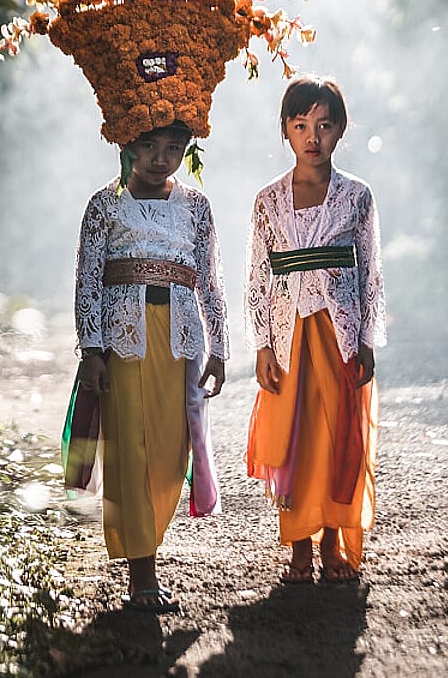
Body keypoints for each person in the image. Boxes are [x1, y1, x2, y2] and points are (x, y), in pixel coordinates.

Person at [73, 120, 228, 613]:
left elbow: (210, 279)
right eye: (149, 146)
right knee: (132, 450)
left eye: (173, 148)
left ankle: (150, 546)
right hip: (123, 341)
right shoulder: (104, 205)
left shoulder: (196, 207)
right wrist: (91, 349)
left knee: (167, 453)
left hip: (179, 341)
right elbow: (88, 280)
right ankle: (144, 575)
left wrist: (220, 347)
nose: (161, 158)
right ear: (126, 145)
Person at [244, 74, 386, 584]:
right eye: (301, 124)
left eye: (324, 125)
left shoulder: (357, 197)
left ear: (341, 130)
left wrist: (368, 337)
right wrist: (261, 343)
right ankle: (298, 547)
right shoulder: (268, 201)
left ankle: (331, 544)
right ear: (285, 130)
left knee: (336, 437)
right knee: (296, 440)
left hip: (338, 335)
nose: (313, 136)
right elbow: (258, 276)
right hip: (288, 339)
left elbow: (370, 271)